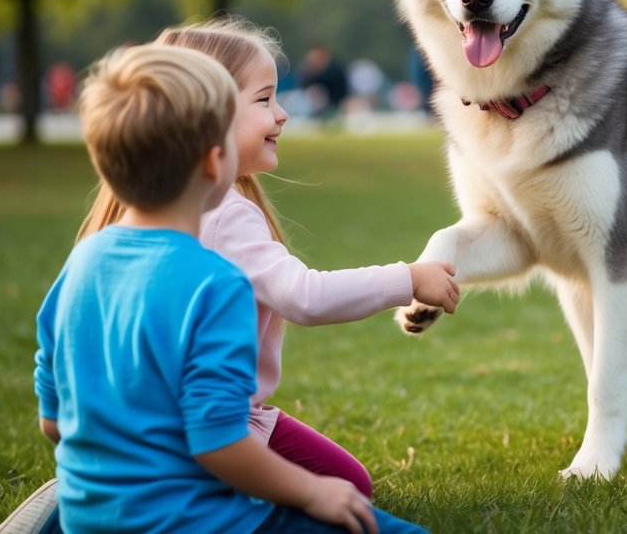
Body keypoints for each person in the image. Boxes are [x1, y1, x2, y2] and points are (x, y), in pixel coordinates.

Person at [30, 43, 426, 533]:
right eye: (264, 100)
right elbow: (218, 442)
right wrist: (310, 490)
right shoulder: (216, 286)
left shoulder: (82, 262)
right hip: (199, 518)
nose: (279, 114)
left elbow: (54, 421)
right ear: (215, 161)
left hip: (90, 516)